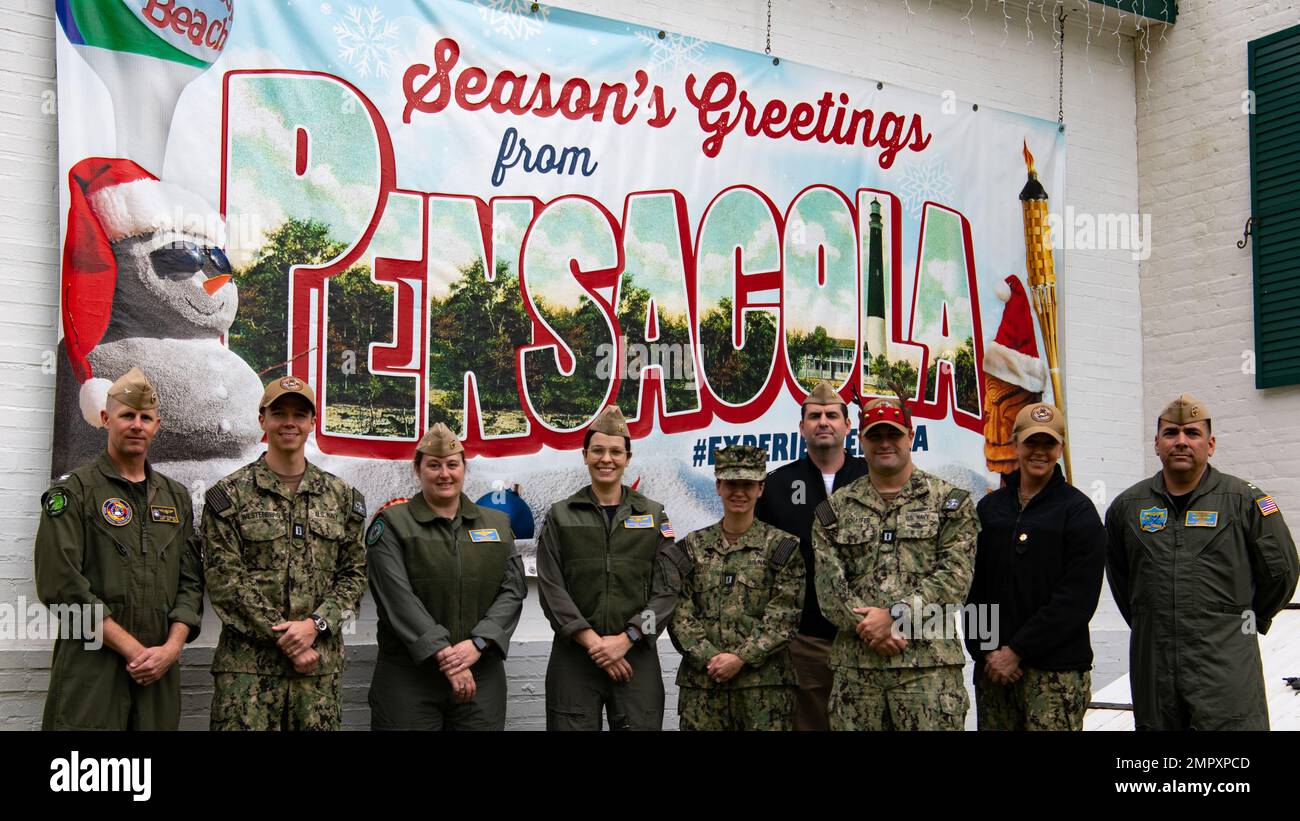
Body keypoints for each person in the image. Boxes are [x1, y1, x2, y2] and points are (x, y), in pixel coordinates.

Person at [1105, 393, 1299, 730]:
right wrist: (1152, 621)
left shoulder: (1244, 501)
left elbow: (1282, 572)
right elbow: (1124, 583)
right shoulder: (1128, 508)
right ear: (1156, 444)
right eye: (1171, 433)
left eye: (1192, 434)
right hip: (1156, 670)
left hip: (1225, 669)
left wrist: (1242, 622)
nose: (1181, 442)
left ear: (1210, 445)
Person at [34, 367, 203, 730]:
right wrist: (133, 650)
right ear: (106, 418)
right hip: (92, 667)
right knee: (86, 778)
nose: (136, 425)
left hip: (159, 672)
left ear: (157, 425)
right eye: (127, 415)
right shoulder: (75, 491)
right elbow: (60, 585)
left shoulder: (177, 498)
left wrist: (171, 650)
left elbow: (191, 583)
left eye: (145, 418)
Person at [202, 376, 368, 730]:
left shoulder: (342, 499)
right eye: (279, 413)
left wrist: (315, 625)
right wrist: (289, 639)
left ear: (312, 423)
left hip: (317, 675)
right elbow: (225, 580)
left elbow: (354, 576)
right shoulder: (229, 496)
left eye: (299, 414)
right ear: (262, 420)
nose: (289, 422)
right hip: (247, 674)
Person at [812, 396, 980, 731]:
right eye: (875, 436)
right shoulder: (835, 510)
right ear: (860, 440)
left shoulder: (950, 504)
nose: (885, 443)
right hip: (858, 677)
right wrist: (873, 629)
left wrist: (895, 617)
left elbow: (954, 580)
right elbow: (830, 588)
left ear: (911, 435)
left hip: (928, 673)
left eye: (894, 434)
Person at [535, 405, 689, 731]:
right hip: (574, 657)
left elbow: (667, 589)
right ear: (585, 455)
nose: (607, 459)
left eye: (616, 452)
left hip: (637, 656)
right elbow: (551, 589)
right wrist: (593, 643)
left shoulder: (653, 515)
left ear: (628, 458)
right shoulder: (561, 516)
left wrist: (629, 637)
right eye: (598, 451)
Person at [365, 423, 526, 730]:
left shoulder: (498, 523)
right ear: (418, 469)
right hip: (409, 678)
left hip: (481, 674)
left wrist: (477, 644)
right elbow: (397, 599)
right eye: (434, 465)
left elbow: (513, 589)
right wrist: (444, 654)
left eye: (452, 465)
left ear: (464, 468)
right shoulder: (393, 525)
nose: (444, 474)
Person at [965, 402, 1106, 730]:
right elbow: (973, 587)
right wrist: (987, 651)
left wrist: (1017, 650)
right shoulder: (989, 509)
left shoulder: (1078, 513)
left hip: (1054, 676)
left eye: (1048, 443)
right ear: (1015, 444)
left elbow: (1076, 600)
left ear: (1060, 448)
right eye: (1031, 442)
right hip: (994, 673)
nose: (1039, 451)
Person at [756, 380, 867, 730]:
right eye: (814, 415)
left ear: (848, 426)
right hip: (805, 641)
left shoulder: (873, 477)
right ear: (801, 427)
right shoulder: (776, 486)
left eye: (832, 415)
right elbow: (762, 563)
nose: (823, 422)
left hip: (867, 637)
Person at [669, 445, 803, 730]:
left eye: (748, 484)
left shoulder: (782, 547)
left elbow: (784, 617)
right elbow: (678, 612)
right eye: (731, 483)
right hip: (703, 688)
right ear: (718, 486)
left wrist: (741, 657)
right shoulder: (691, 547)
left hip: (763, 689)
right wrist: (710, 658)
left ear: (760, 489)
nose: (739, 492)